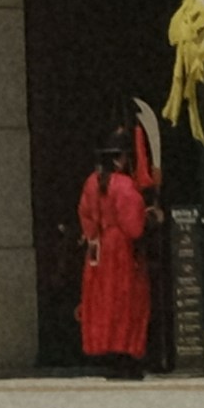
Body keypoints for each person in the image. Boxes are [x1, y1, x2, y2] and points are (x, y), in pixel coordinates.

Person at [75, 122, 154, 377]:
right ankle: (127, 353)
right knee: (127, 301)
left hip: (99, 246)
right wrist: (150, 217)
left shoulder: (92, 182)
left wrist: (94, 236)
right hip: (121, 249)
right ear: (119, 158)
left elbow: (86, 216)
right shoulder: (125, 186)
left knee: (103, 300)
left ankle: (107, 352)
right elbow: (134, 227)